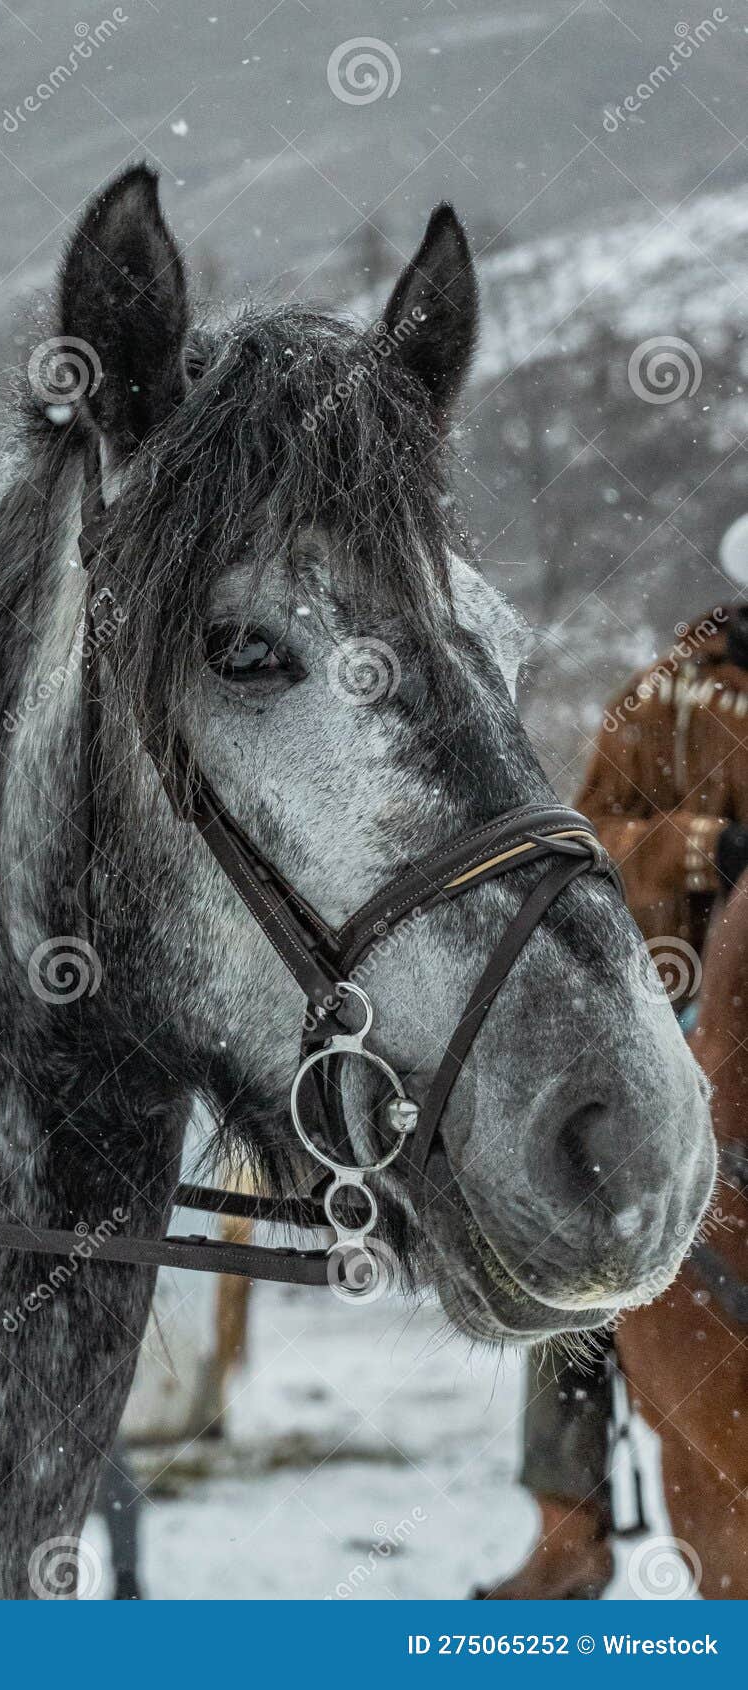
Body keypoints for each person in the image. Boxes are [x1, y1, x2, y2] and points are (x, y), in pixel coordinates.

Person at [481, 574, 748, 1600]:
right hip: (677, 1004)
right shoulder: (667, 695)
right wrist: (699, 846)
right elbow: (588, 834)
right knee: (587, 1215)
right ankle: (569, 1521)